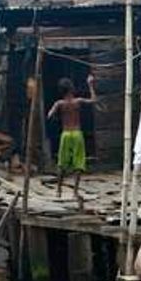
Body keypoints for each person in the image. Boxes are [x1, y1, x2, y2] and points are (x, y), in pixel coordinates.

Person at [47, 74, 99, 202]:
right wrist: (90, 85)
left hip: (66, 134)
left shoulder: (59, 103)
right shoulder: (78, 101)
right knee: (78, 163)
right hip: (76, 134)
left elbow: (49, 115)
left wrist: (56, 117)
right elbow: (93, 100)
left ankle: (58, 190)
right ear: (71, 89)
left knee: (61, 163)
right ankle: (75, 192)